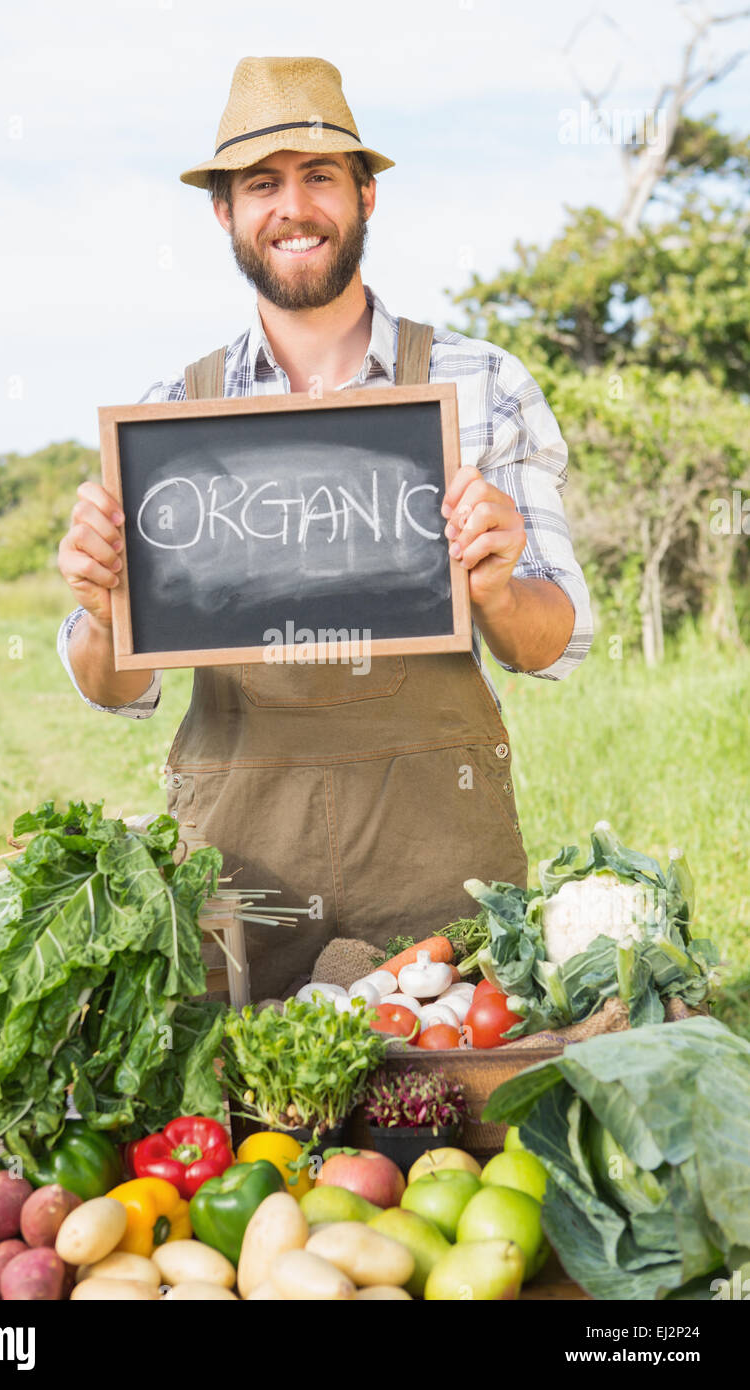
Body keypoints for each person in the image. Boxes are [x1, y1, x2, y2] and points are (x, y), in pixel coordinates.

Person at [57, 56, 593, 999]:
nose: (292, 206)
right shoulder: (169, 420)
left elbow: (554, 643)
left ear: (366, 196)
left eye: (319, 177)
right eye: (262, 183)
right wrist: (104, 612)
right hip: (240, 870)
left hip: (439, 853)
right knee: (240, 1126)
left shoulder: (482, 383)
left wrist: (501, 592)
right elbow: (116, 688)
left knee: (453, 1118)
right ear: (223, 211)